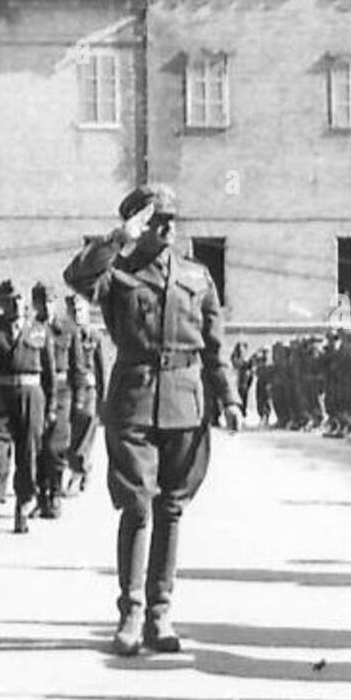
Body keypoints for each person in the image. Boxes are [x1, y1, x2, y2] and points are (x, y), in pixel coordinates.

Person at [64, 185, 241, 656]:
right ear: (136, 223)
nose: (167, 227)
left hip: (185, 400)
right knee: (138, 505)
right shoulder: (117, 271)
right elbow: (78, 278)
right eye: (155, 219)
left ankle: (161, 612)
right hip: (135, 398)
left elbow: (215, 343)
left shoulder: (198, 277)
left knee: (171, 507)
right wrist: (118, 239)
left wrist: (229, 397)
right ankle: (131, 612)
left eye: (172, 219)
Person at [0, 281, 55, 536]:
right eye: (9, 300)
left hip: (32, 395)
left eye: (19, 298)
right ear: (2, 303)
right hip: (0, 396)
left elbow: (49, 371)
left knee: (28, 452)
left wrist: (52, 407)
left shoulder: (38, 329)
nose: (17, 304)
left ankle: (23, 508)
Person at [34, 283, 77, 519]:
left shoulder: (67, 329)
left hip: (61, 391)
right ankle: (41, 495)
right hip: (39, 391)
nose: (47, 307)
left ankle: (56, 493)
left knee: (56, 445)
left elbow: (77, 365)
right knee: (39, 448)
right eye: (42, 302)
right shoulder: (32, 329)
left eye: (50, 301)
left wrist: (80, 398)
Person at [66, 293, 107, 493]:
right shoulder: (62, 334)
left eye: (81, 311)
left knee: (84, 431)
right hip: (68, 389)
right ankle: (82, 468)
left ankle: (77, 473)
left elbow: (101, 367)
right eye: (74, 311)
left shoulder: (94, 337)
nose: (78, 315)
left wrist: (104, 397)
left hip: (89, 390)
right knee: (69, 434)